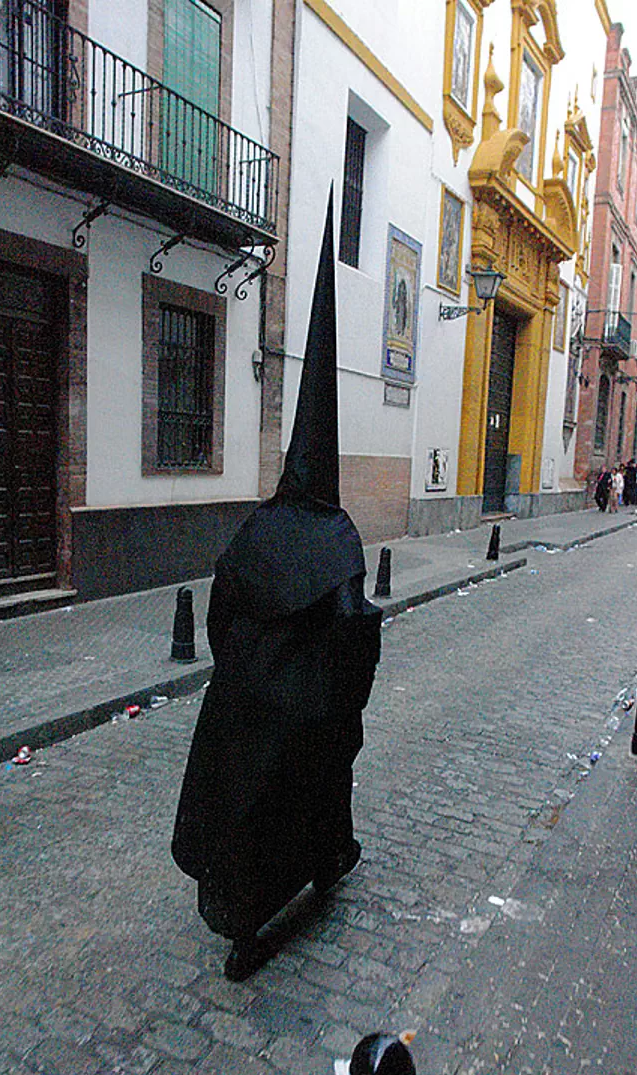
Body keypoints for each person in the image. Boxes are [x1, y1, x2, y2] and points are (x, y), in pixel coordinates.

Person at [171, 191, 382, 981]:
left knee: (254, 801)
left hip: (243, 701)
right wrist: (333, 691)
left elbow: (225, 607)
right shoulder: (334, 534)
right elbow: (351, 629)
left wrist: (245, 670)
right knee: (308, 778)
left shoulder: (261, 525)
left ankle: (313, 867)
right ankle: (269, 902)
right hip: (295, 710)